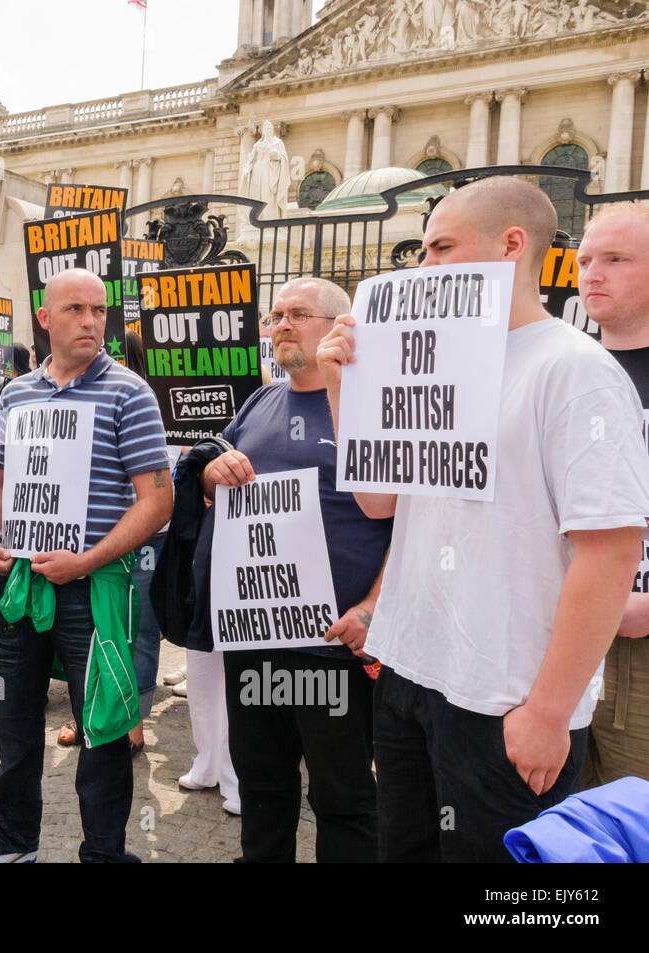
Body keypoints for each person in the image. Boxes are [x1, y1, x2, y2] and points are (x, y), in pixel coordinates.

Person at [317, 176, 649, 862]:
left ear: (511, 246)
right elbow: (379, 501)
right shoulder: (424, 360)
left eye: (441, 247)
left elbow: (611, 552)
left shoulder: (573, 369)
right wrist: (343, 382)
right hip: (411, 674)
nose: (424, 267)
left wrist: (549, 713)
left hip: (504, 696)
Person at [0, 268, 173, 863]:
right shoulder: (18, 392)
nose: (91, 321)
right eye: (75, 309)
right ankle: (10, 840)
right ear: (45, 319)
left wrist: (89, 561)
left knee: (100, 727)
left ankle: (103, 853)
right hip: (18, 582)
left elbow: (157, 501)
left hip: (90, 587)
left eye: (100, 311)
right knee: (14, 720)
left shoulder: (129, 392)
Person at [200, 277, 392, 862]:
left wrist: (371, 606)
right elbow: (213, 485)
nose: (281, 324)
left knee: (343, 796)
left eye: (298, 314)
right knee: (262, 785)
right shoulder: (260, 401)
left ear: (337, 325)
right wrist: (213, 474)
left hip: (332, 648)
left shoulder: (371, 405)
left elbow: (408, 522)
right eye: (276, 314)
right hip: (255, 641)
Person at [575, 202, 649, 787]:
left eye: (616, 260)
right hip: (556, 637)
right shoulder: (563, 370)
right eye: (585, 260)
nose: (592, 274)